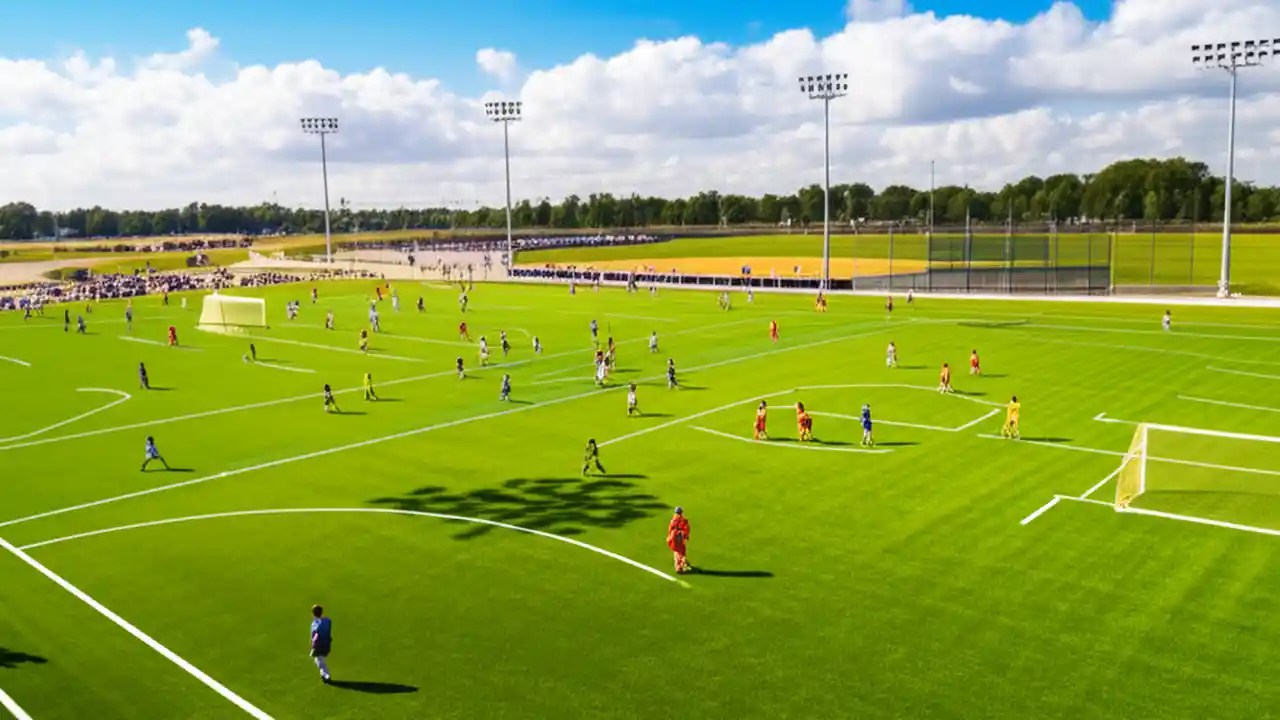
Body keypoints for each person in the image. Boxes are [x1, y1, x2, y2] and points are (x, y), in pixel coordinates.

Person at [310, 605, 332, 684]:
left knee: (318, 660)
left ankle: (326, 675)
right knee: (320, 659)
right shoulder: (327, 621)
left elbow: (315, 636)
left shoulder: (314, 624)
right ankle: (323, 674)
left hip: (319, 645)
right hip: (327, 644)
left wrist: (313, 645)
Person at [667, 507, 692, 574]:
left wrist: (670, 537)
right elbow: (687, 529)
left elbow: (670, 529)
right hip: (680, 537)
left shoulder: (673, 520)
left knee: (676, 552)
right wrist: (686, 536)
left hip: (674, 537)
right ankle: (680, 567)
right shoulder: (683, 520)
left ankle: (683, 563)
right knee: (681, 551)